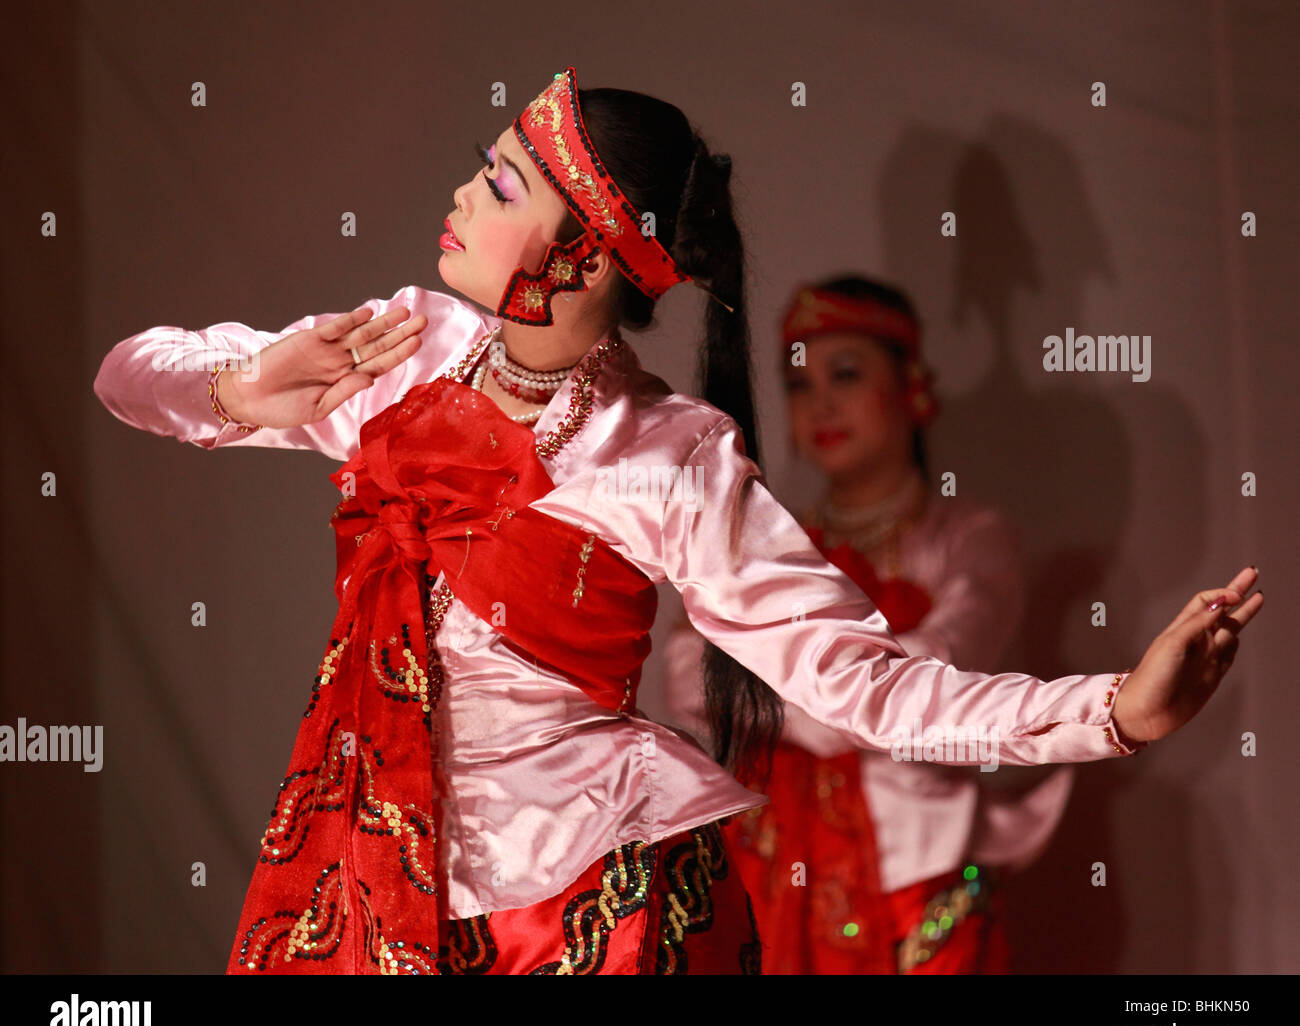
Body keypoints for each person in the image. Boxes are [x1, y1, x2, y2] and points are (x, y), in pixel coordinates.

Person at [93, 67, 1262, 975]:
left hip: (597, 903)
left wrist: (1113, 712)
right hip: (375, 879)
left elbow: (868, 683)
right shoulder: (398, 353)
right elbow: (125, 372)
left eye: (502, 184)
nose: (459, 195)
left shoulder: (666, 457)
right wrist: (248, 389)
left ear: (587, 251)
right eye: (480, 167)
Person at [658, 275, 1076, 973]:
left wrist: (773, 678)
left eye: (846, 374)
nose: (819, 401)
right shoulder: (763, 541)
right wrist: (845, 691)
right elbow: (689, 674)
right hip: (768, 866)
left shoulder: (967, 538)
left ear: (911, 385)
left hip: (919, 879)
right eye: (797, 384)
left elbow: (926, 682)